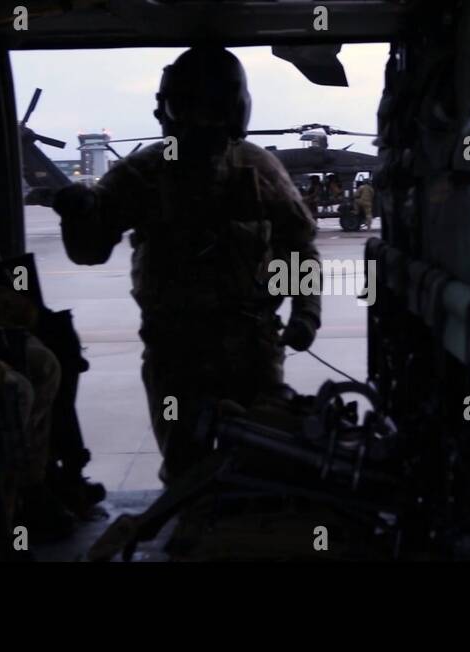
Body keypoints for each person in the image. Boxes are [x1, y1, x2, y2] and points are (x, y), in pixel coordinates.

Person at [52, 46, 321, 483]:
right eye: (189, 108)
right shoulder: (144, 173)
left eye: (211, 110)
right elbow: (90, 251)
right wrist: (78, 213)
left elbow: (298, 244)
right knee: (185, 469)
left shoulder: (258, 168)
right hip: (175, 351)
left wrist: (306, 313)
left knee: (268, 461)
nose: (199, 124)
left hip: (252, 346)